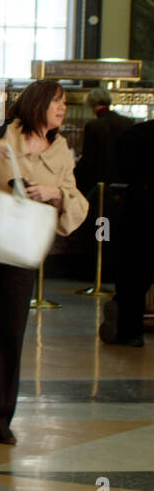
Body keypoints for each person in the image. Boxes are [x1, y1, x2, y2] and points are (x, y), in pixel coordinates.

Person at [0, 80, 88, 445]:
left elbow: (76, 200)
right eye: (57, 102)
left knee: (11, 333)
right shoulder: (2, 132)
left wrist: (56, 194)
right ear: (37, 103)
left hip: (23, 250)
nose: (62, 109)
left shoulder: (61, 151)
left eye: (65, 104)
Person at [100, 116, 154, 347]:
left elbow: (119, 172)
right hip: (140, 209)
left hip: (140, 211)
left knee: (133, 275)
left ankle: (129, 330)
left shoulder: (136, 134)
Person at [74, 88, 134, 197]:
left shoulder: (93, 126)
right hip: (125, 182)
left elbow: (89, 159)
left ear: (91, 104)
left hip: (101, 184)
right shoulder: (128, 122)